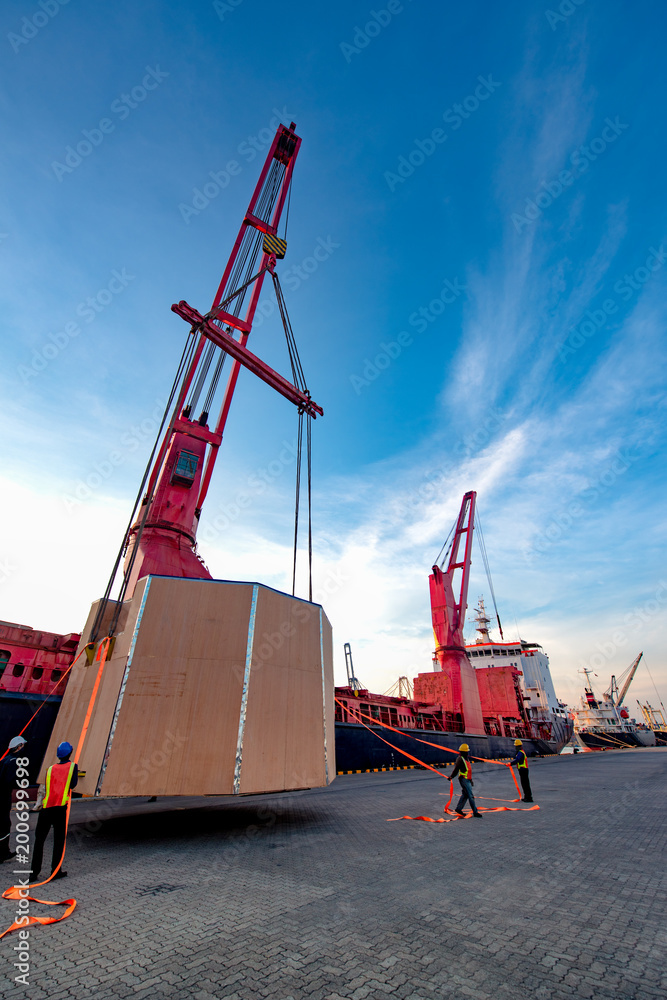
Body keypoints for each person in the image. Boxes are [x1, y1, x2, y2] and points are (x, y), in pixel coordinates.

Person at [31, 741, 78, 881]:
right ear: (70, 753)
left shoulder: (50, 769)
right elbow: (73, 785)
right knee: (59, 840)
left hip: (46, 808)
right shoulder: (73, 767)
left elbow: (49, 786)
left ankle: (33, 873)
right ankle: (55, 872)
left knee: (39, 841)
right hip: (60, 808)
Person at [0, 736, 27, 862]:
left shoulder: (4, 760)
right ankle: (2, 853)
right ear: (19, 747)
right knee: (5, 825)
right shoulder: (14, 762)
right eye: (23, 745)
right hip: (4, 797)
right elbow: (9, 781)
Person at [448, 743, 483, 818]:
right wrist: (451, 777)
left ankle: (458, 809)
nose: (467, 753)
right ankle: (475, 812)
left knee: (465, 794)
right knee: (471, 796)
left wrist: (471, 781)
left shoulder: (466, 758)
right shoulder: (460, 759)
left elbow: (468, 771)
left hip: (467, 780)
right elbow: (456, 769)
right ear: (463, 752)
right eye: (466, 751)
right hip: (463, 779)